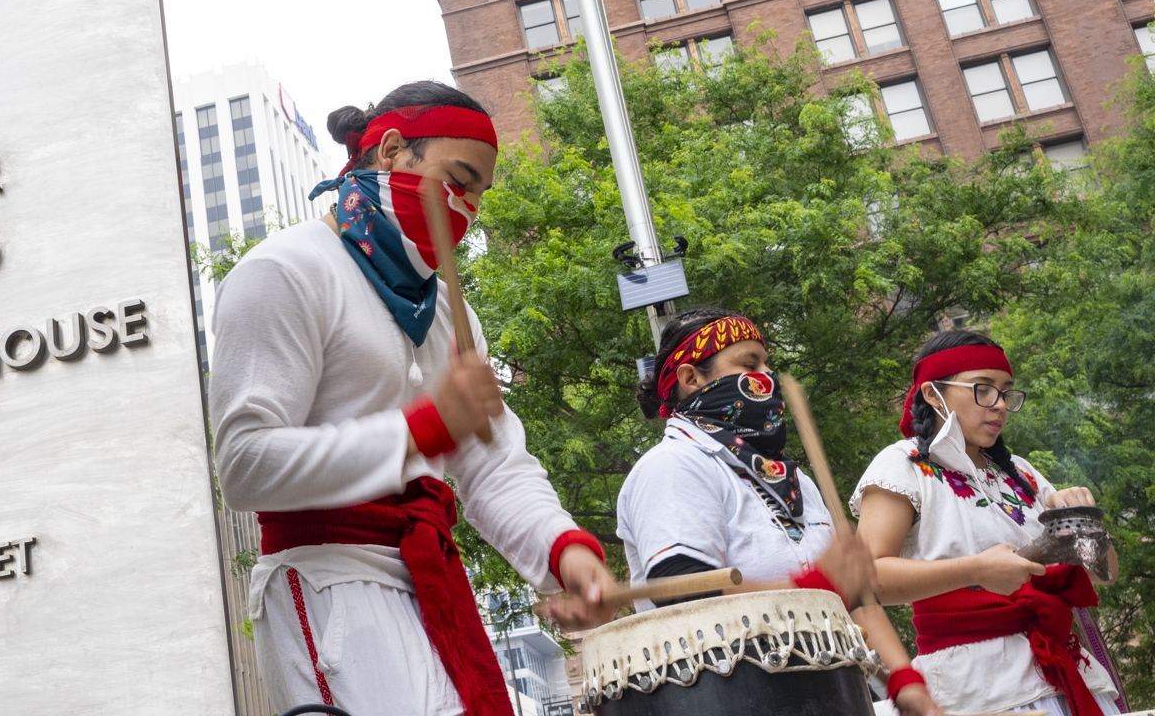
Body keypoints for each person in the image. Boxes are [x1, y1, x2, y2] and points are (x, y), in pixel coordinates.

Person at [210, 81, 617, 716]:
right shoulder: (283, 271)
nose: (468, 208)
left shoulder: (452, 315)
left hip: (429, 585)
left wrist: (563, 550)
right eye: (458, 180)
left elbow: (493, 467)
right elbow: (243, 466)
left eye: (480, 194)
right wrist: (418, 431)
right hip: (326, 585)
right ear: (393, 151)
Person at [614, 308, 941, 716]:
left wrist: (903, 680)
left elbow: (853, 601)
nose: (766, 375)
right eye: (749, 364)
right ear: (690, 378)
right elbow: (684, 591)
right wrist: (814, 587)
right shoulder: (672, 465)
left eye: (767, 364)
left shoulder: (794, 479)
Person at [853, 330, 1120, 716]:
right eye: (983, 389)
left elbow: (1104, 573)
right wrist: (976, 570)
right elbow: (867, 582)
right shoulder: (902, 465)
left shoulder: (1021, 474)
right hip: (974, 682)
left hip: (1058, 665)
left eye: (1007, 393)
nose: (1000, 405)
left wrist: (1083, 522)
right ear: (933, 394)